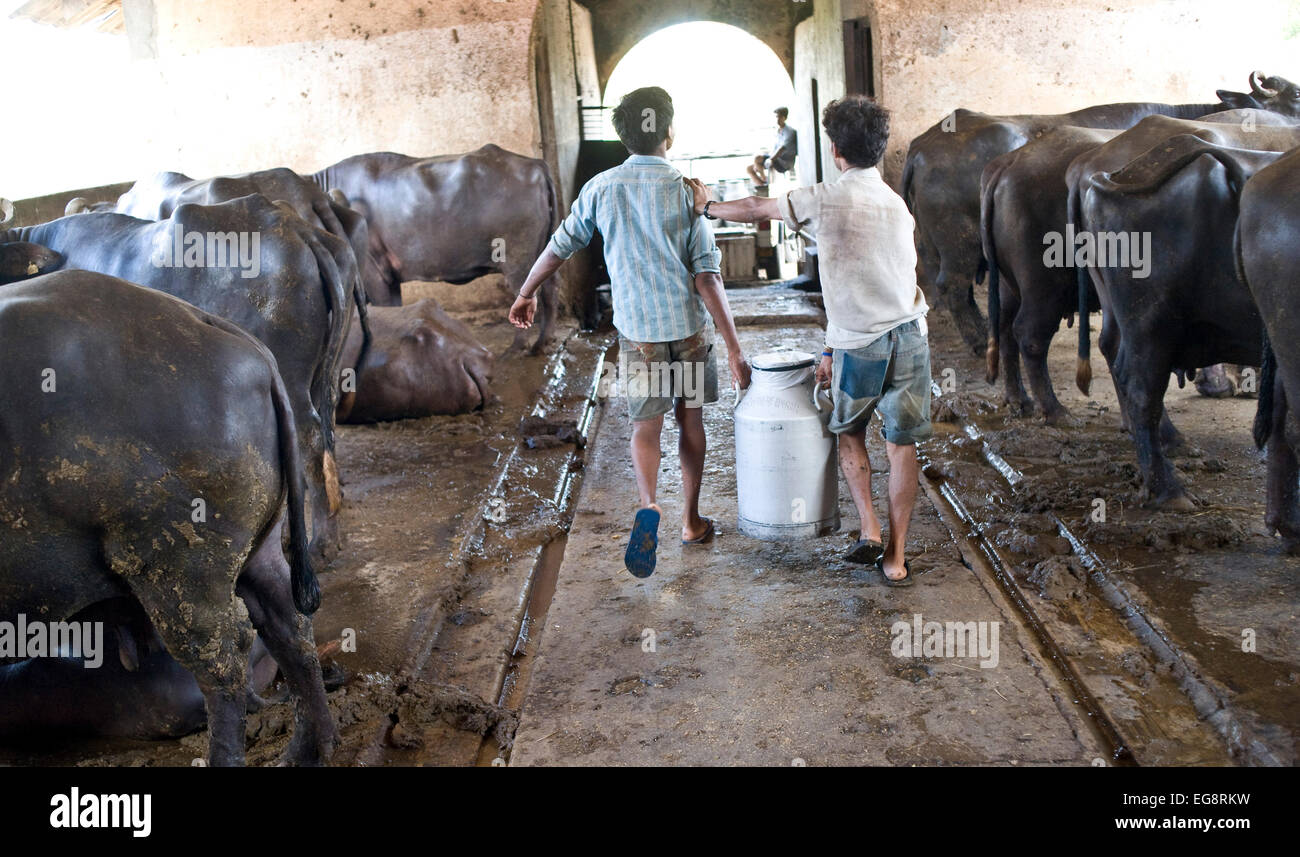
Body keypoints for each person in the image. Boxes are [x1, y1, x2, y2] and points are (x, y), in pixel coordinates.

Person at [509, 86, 752, 579]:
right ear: (669, 132)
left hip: (639, 338)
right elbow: (707, 276)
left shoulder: (600, 188)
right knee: (690, 424)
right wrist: (733, 347)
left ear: (622, 137)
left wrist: (527, 290)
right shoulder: (689, 191)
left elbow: (560, 246)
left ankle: (648, 504)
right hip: (686, 336)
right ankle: (689, 521)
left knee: (645, 427)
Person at [689, 95, 931, 586]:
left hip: (862, 345)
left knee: (849, 433)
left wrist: (707, 205)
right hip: (912, 336)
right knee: (902, 448)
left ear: (836, 149)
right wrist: (827, 346)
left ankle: (869, 529)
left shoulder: (825, 197)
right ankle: (897, 559)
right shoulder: (897, 206)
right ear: (880, 149)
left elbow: (757, 206)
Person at [747, 107, 798, 187]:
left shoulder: (789, 132)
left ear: (784, 118)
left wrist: (770, 159)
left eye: (779, 117)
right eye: (776, 117)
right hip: (775, 159)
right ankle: (763, 186)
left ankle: (764, 180)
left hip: (783, 163)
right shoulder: (778, 131)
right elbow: (775, 148)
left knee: (757, 159)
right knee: (750, 169)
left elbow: (782, 149)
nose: (777, 119)